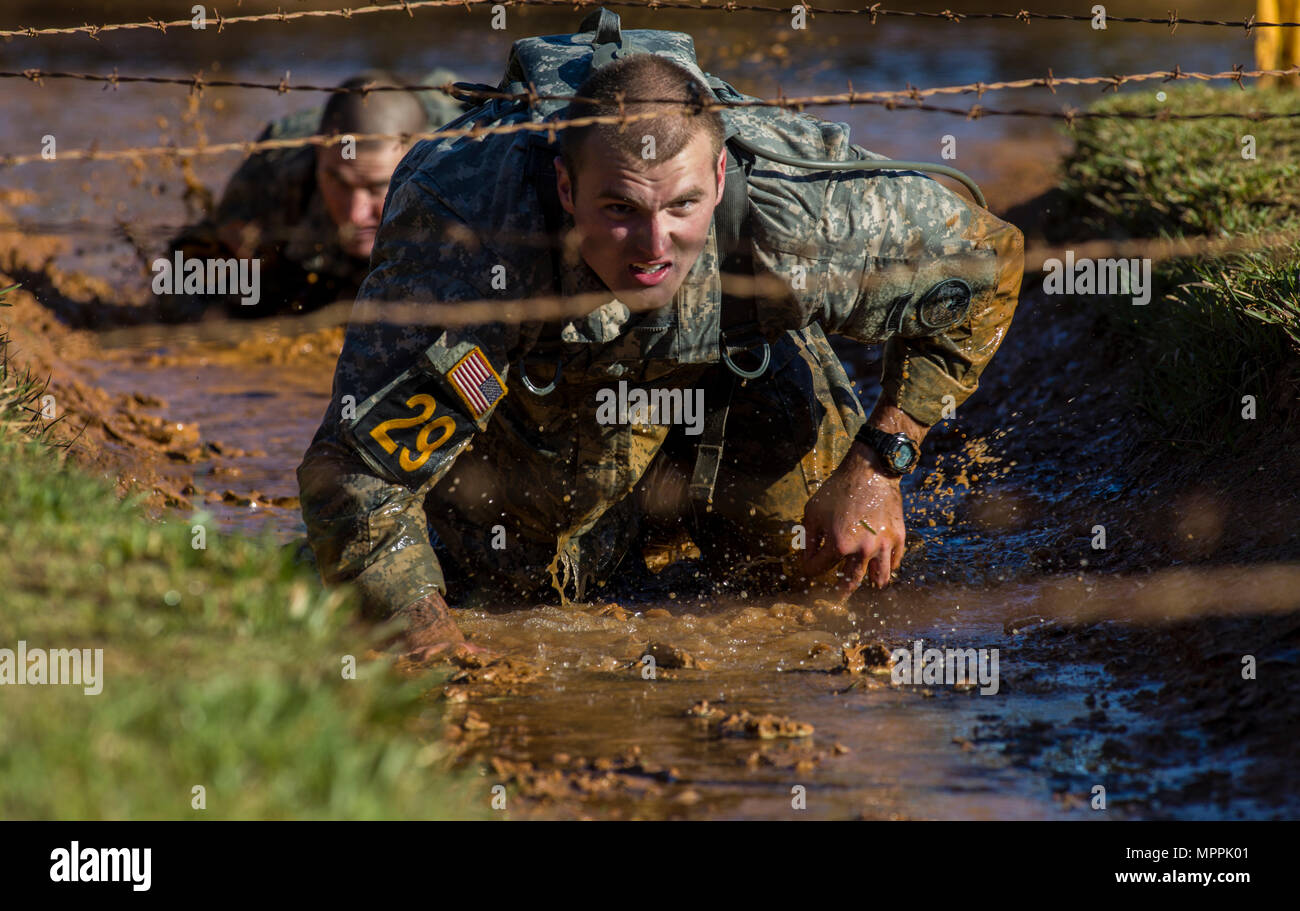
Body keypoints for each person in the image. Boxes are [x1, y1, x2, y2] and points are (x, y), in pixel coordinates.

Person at [296, 13, 1024, 660]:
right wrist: (421, 635)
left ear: (716, 175)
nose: (654, 246)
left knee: (817, 583)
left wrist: (881, 461)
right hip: (527, 410)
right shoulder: (466, 241)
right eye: (619, 209)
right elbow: (357, 473)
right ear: (566, 188)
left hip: (732, 383)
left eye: (682, 206)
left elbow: (990, 267)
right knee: (499, 592)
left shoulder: (804, 216)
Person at [159, 69, 466, 320]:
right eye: (339, 183)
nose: (355, 214)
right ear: (318, 155)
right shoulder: (275, 168)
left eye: (375, 187)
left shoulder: (462, 178)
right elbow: (185, 268)